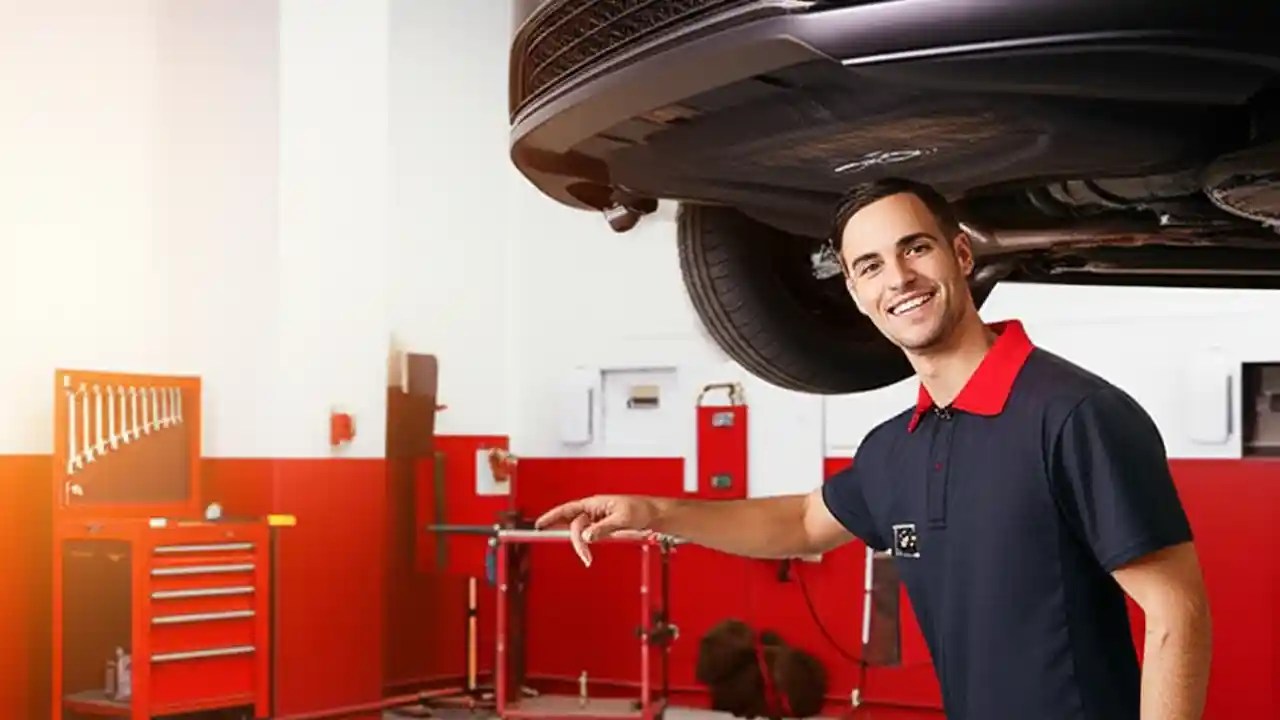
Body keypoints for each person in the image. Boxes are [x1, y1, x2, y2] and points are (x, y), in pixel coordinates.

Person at [535, 178, 1213, 720]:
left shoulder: (1074, 415)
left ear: (962, 257)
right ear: (857, 295)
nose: (899, 278)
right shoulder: (895, 450)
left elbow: (1175, 613)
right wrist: (656, 511)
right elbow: (802, 522)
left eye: (915, 249)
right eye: (871, 266)